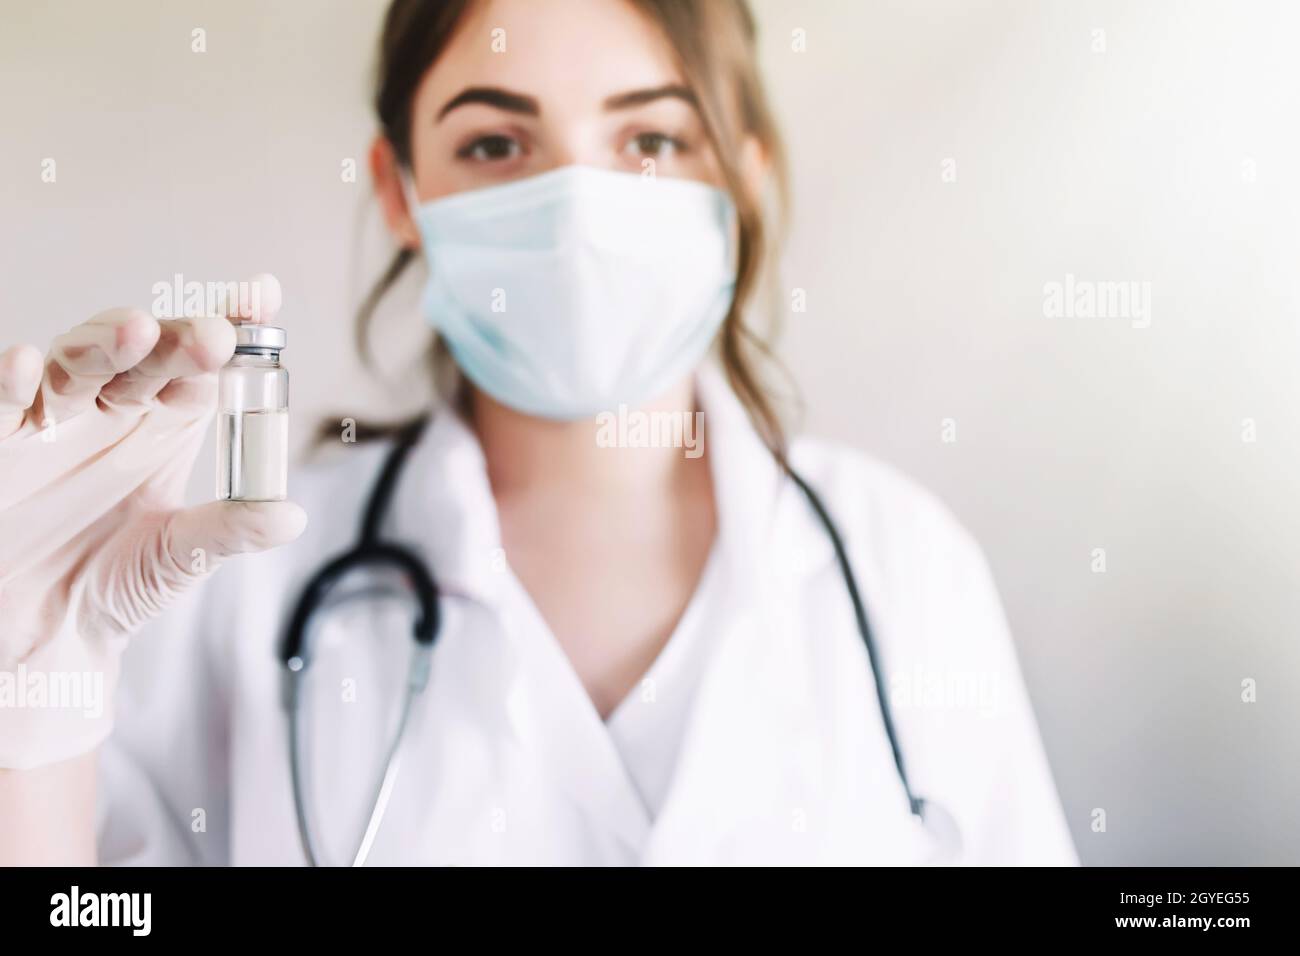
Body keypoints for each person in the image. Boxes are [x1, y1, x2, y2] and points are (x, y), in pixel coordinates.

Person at [0, 0, 1076, 865]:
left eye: (649, 137)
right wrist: (30, 687)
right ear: (401, 194)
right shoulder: (243, 583)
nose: (576, 212)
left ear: (741, 180)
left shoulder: (904, 570)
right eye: (497, 142)